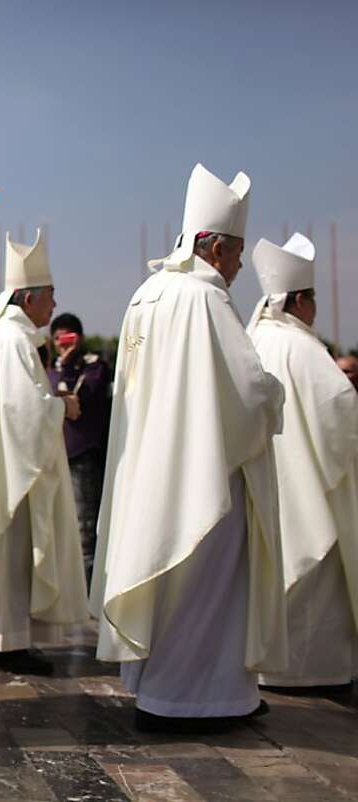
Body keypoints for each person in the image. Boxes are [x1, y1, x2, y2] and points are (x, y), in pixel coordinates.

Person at [91, 164, 286, 733]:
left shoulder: (148, 294)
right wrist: (275, 392)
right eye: (237, 251)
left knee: (169, 584)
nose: (241, 265)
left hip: (153, 474)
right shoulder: (204, 299)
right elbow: (248, 393)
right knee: (208, 591)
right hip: (204, 476)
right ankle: (199, 700)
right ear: (212, 245)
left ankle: (160, 692)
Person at [0, 229, 88, 676]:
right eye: (49, 296)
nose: (54, 304)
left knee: (9, 559)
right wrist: (62, 406)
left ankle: (5, 638)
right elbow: (24, 412)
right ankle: (6, 642)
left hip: (7, 468)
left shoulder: (3, 338)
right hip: (13, 475)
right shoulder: (12, 341)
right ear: (28, 298)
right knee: (11, 556)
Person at [247, 234, 358, 694]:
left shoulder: (252, 338)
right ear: (299, 301)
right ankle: (313, 674)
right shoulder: (303, 347)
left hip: (267, 484)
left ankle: (273, 668)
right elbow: (339, 408)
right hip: (311, 486)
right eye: (312, 298)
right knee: (316, 577)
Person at [47, 312, 111, 584]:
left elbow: (79, 399)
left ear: (80, 338)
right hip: (53, 457)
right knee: (57, 528)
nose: (64, 342)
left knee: (85, 529)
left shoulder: (93, 364)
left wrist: (70, 363)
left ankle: (87, 592)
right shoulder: (49, 367)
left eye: (69, 337)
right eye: (59, 337)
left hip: (82, 457)